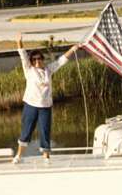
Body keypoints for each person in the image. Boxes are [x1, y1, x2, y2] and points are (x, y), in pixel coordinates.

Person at [13, 33, 79, 163]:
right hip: (31, 105)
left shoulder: (49, 69)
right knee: (26, 131)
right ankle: (19, 155)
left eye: (39, 59)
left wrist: (73, 49)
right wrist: (19, 42)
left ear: (43, 59)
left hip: (45, 107)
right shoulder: (29, 70)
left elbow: (61, 61)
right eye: (34, 60)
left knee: (45, 131)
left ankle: (46, 156)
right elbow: (23, 55)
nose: (37, 61)